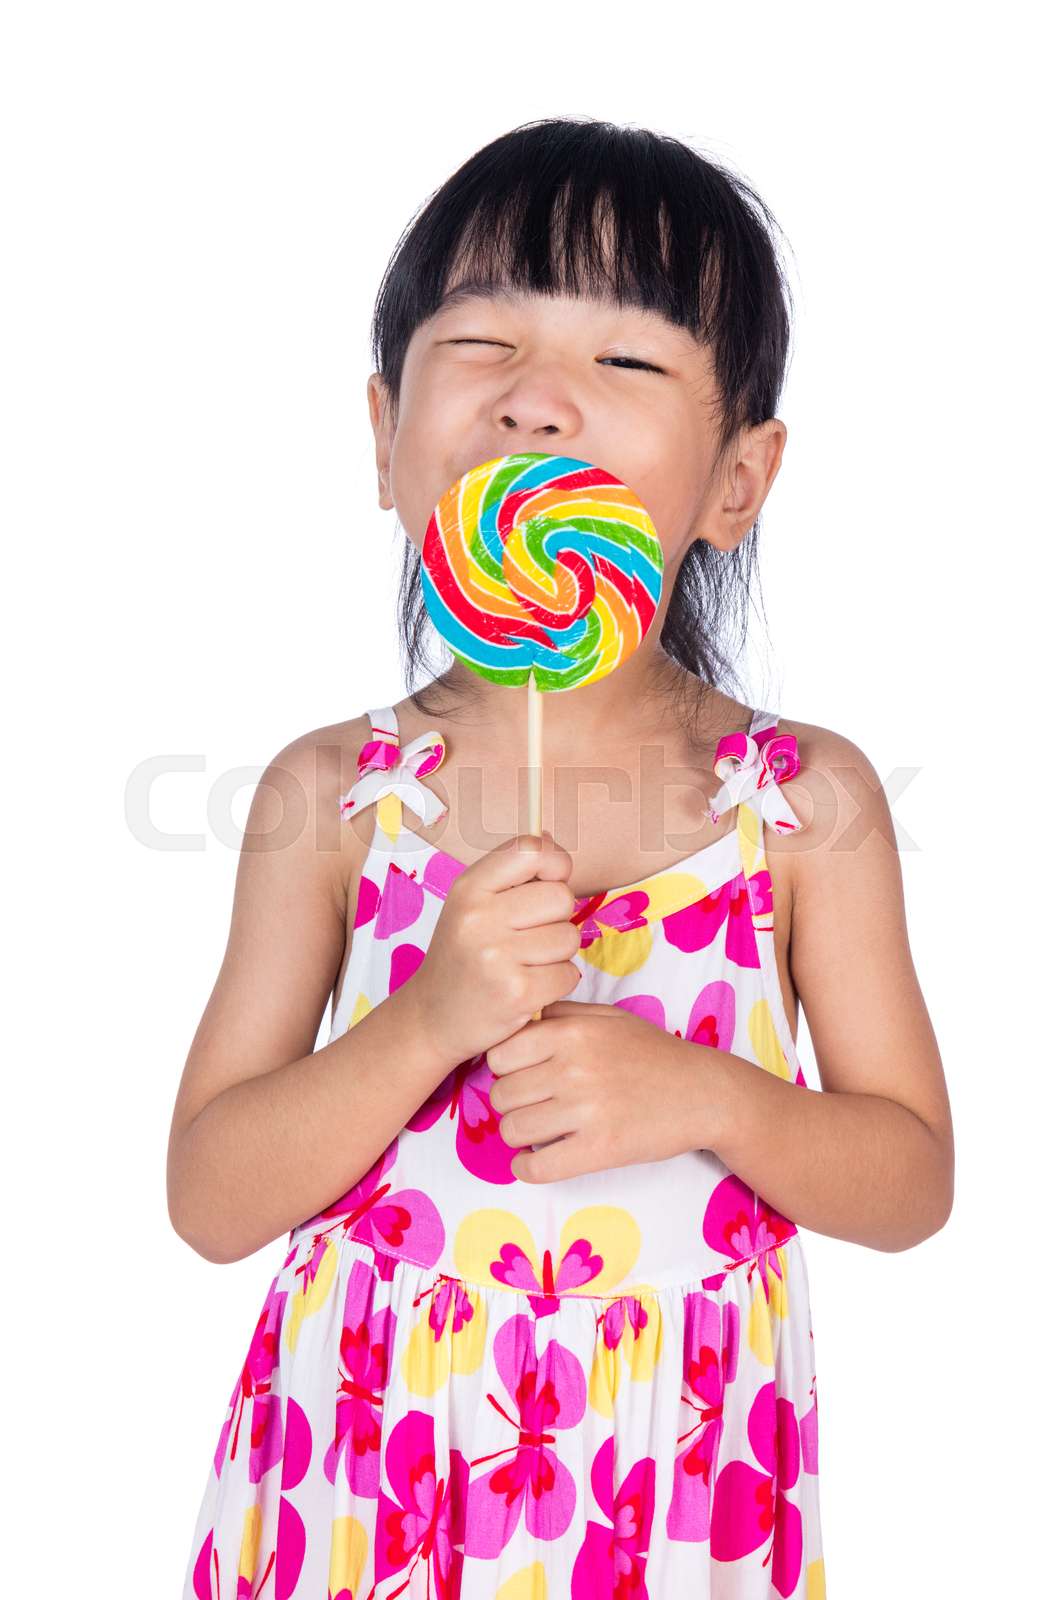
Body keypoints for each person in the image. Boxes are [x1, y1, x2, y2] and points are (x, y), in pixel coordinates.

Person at [172, 117, 953, 1600]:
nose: (540, 401)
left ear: (737, 480)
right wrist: (426, 1021)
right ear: (384, 435)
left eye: (629, 363)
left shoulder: (799, 802)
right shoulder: (335, 793)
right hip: (366, 1463)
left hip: (669, 1479)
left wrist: (711, 1093)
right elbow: (210, 1196)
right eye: (483, 344)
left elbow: (907, 1178)